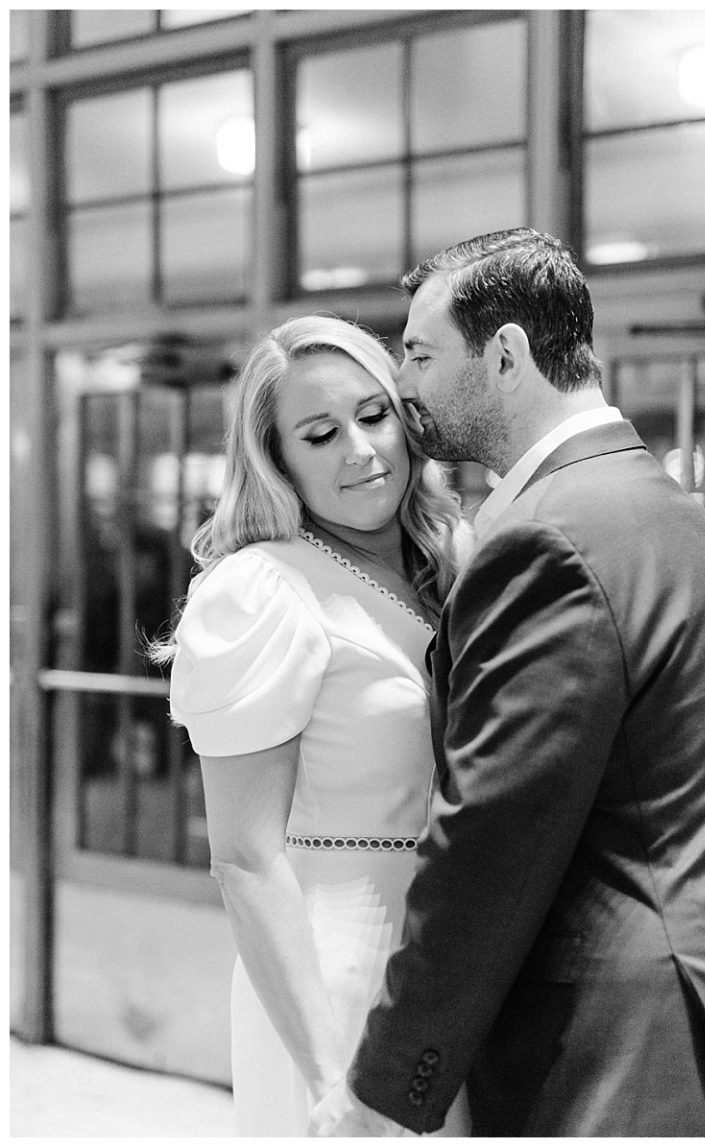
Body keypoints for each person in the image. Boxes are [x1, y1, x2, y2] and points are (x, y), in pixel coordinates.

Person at [312, 229, 705, 1135]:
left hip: (615, 1050)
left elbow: (495, 831)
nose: (404, 383)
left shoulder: (548, 535)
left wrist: (384, 1093)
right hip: (695, 1011)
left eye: (422, 353)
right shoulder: (659, 502)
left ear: (507, 354)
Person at [156, 316, 470, 1136]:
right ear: (278, 459)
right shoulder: (262, 589)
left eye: (374, 416)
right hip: (336, 968)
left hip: (448, 958)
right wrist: (332, 1074)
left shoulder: (446, 559)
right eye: (321, 433)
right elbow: (246, 857)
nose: (361, 449)